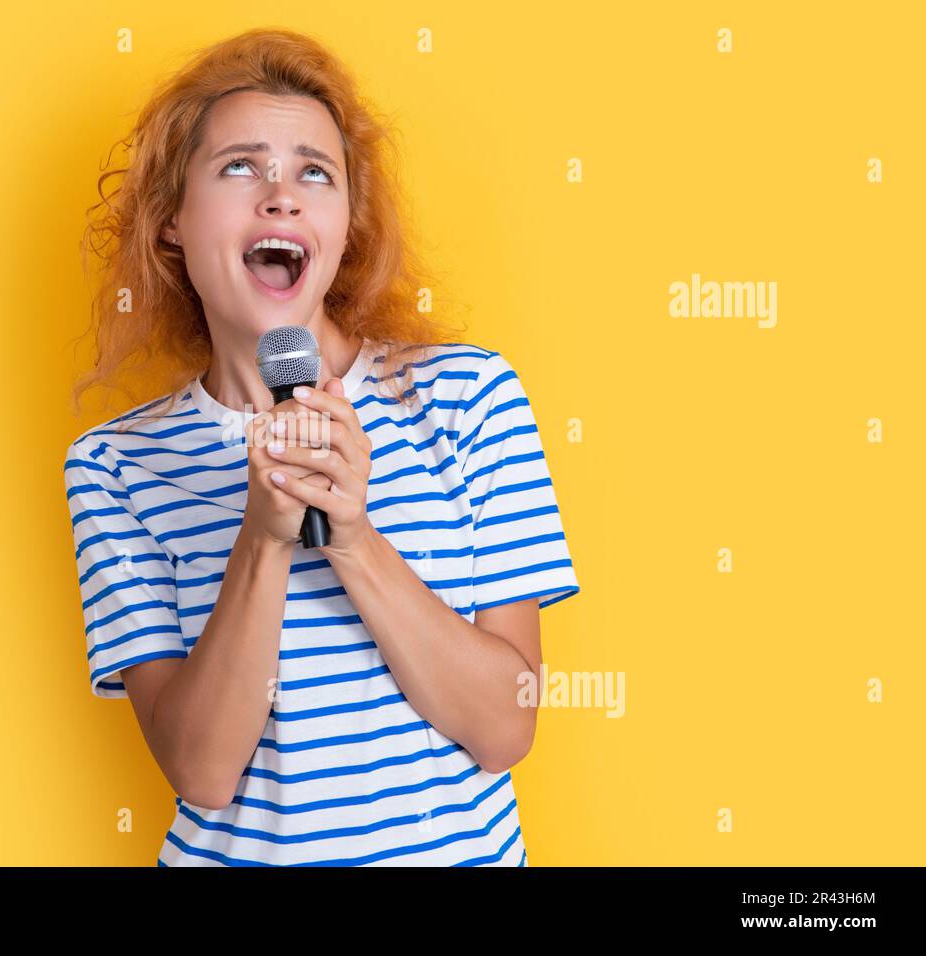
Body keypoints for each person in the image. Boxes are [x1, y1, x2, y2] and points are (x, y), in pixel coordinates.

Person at [65, 28, 580, 866]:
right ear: (171, 222)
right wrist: (263, 540)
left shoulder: (466, 398)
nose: (281, 196)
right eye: (240, 166)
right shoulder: (115, 466)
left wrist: (353, 537)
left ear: (346, 224)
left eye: (315, 171)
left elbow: (504, 727)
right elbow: (201, 770)